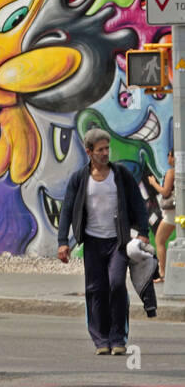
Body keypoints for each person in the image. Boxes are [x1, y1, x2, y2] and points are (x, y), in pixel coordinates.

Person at [56, 128, 150, 355]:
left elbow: (137, 202)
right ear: (89, 152)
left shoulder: (120, 175)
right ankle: (101, 340)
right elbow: (67, 210)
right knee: (95, 289)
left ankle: (118, 337)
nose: (106, 153)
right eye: (100, 150)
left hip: (118, 242)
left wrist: (143, 231)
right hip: (92, 242)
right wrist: (63, 241)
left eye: (107, 148)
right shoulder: (80, 179)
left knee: (117, 284)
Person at [151, 165, 175, 282]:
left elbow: (165, 192)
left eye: (169, 155)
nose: (167, 158)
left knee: (159, 241)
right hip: (178, 212)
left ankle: (163, 273)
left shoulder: (171, 171)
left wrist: (153, 183)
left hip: (172, 213)